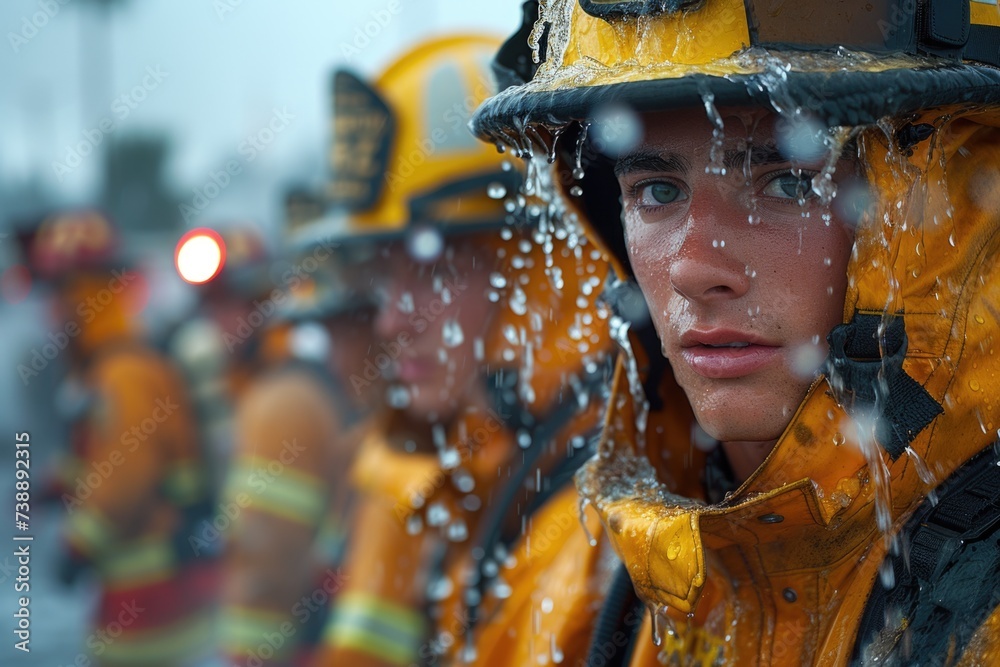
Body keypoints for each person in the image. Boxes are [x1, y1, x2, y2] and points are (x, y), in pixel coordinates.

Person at [471, 2, 1000, 665]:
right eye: (657, 191)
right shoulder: (594, 568)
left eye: (786, 182)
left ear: (945, 202)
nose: (694, 269)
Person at [311, 33, 614, 667]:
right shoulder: (476, 463)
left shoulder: (595, 518)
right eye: (385, 275)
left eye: (433, 269)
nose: (391, 320)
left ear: (533, 273)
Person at [21, 210, 217, 666]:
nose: (51, 311)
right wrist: (53, 487)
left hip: (157, 605)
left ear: (86, 295)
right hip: (141, 596)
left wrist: (78, 545)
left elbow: (127, 474)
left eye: (59, 293)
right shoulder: (108, 370)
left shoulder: (123, 375)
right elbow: (96, 453)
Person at [216, 204, 381, 667]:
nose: (215, 326)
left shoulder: (279, 403)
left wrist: (251, 655)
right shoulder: (270, 387)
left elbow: (269, 551)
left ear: (261, 307)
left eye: (226, 306)